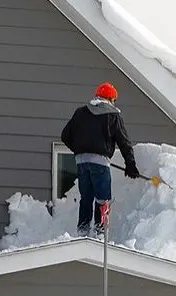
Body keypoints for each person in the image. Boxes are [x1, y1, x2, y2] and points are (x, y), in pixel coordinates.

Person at [60, 81, 140, 236]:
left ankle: (82, 231)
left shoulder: (81, 112)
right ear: (111, 100)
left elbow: (65, 136)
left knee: (86, 198)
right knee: (102, 199)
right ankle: (100, 232)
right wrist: (130, 164)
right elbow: (124, 142)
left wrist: (79, 151)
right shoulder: (113, 115)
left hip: (82, 162)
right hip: (100, 163)